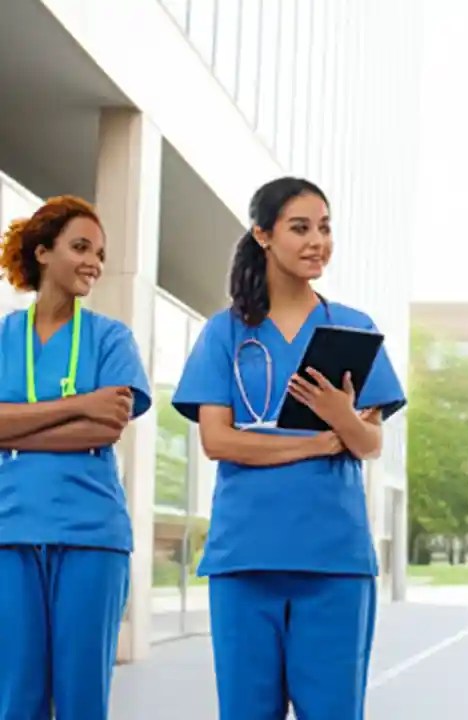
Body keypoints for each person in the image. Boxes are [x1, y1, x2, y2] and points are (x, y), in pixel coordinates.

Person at [171, 177, 406, 718]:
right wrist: (320, 442)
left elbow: (369, 444)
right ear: (263, 234)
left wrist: (342, 418)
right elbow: (217, 441)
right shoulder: (225, 333)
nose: (316, 241)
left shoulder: (352, 328)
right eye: (300, 228)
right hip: (245, 559)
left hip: (334, 561)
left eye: (324, 228)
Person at [0, 195, 151, 719]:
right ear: (43, 252)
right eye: (81, 247)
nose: (94, 262)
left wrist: (14, 428)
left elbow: (108, 425)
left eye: (101, 253)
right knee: (16, 698)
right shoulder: (3, 337)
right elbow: (92, 414)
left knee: (82, 698)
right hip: (10, 532)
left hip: (91, 535)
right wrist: (81, 404)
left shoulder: (111, 338)